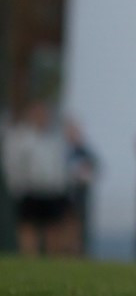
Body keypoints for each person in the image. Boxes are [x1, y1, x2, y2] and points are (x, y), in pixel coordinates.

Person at [4, 101, 71, 256]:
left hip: (51, 190)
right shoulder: (21, 138)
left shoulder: (55, 139)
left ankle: (52, 260)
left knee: (53, 228)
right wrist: (16, 186)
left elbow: (60, 165)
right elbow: (14, 164)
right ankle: (30, 258)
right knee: (28, 227)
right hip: (30, 189)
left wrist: (61, 186)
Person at [62, 117, 100, 257]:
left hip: (80, 194)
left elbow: (95, 168)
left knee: (80, 226)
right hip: (62, 194)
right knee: (64, 225)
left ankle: (79, 253)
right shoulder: (61, 150)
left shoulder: (85, 152)